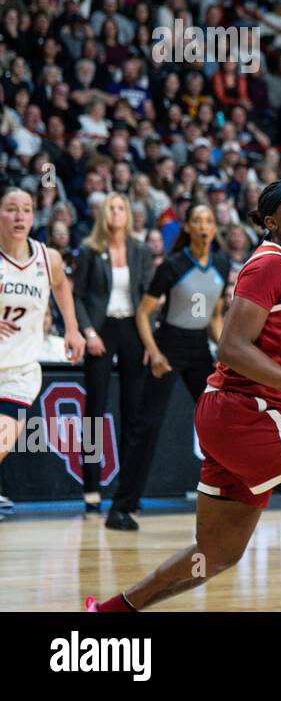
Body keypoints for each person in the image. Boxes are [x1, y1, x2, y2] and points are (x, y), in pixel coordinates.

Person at [86, 180, 281, 611]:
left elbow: (272, 350)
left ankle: (109, 612)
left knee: (216, 555)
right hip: (245, 415)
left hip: (233, 414)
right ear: (271, 222)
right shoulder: (270, 265)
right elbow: (231, 347)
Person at [114, 204, 231, 530]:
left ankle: (228, 497)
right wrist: (154, 352)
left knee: (219, 420)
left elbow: (215, 316)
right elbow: (142, 313)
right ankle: (121, 507)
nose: (204, 225)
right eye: (197, 220)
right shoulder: (172, 266)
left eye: (208, 220)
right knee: (147, 425)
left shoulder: (222, 263)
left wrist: (224, 352)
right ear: (188, 228)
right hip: (168, 345)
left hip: (199, 349)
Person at [0, 188, 85, 518]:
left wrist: (73, 328)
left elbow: (62, 287)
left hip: (19, 373)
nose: (20, 216)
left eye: (26, 209)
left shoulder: (47, 258)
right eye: (11, 209)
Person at [73, 191, 151, 516]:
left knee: (132, 413)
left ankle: (127, 492)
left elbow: (148, 299)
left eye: (121, 208)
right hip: (100, 332)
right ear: (103, 214)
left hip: (132, 329)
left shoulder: (140, 250)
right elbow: (76, 296)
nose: (117, 213)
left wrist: (150, 342)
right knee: (94, 411)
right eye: (112, 208)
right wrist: (88, 332)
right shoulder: (90, 250)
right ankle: (91, 488)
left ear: (128, 215)